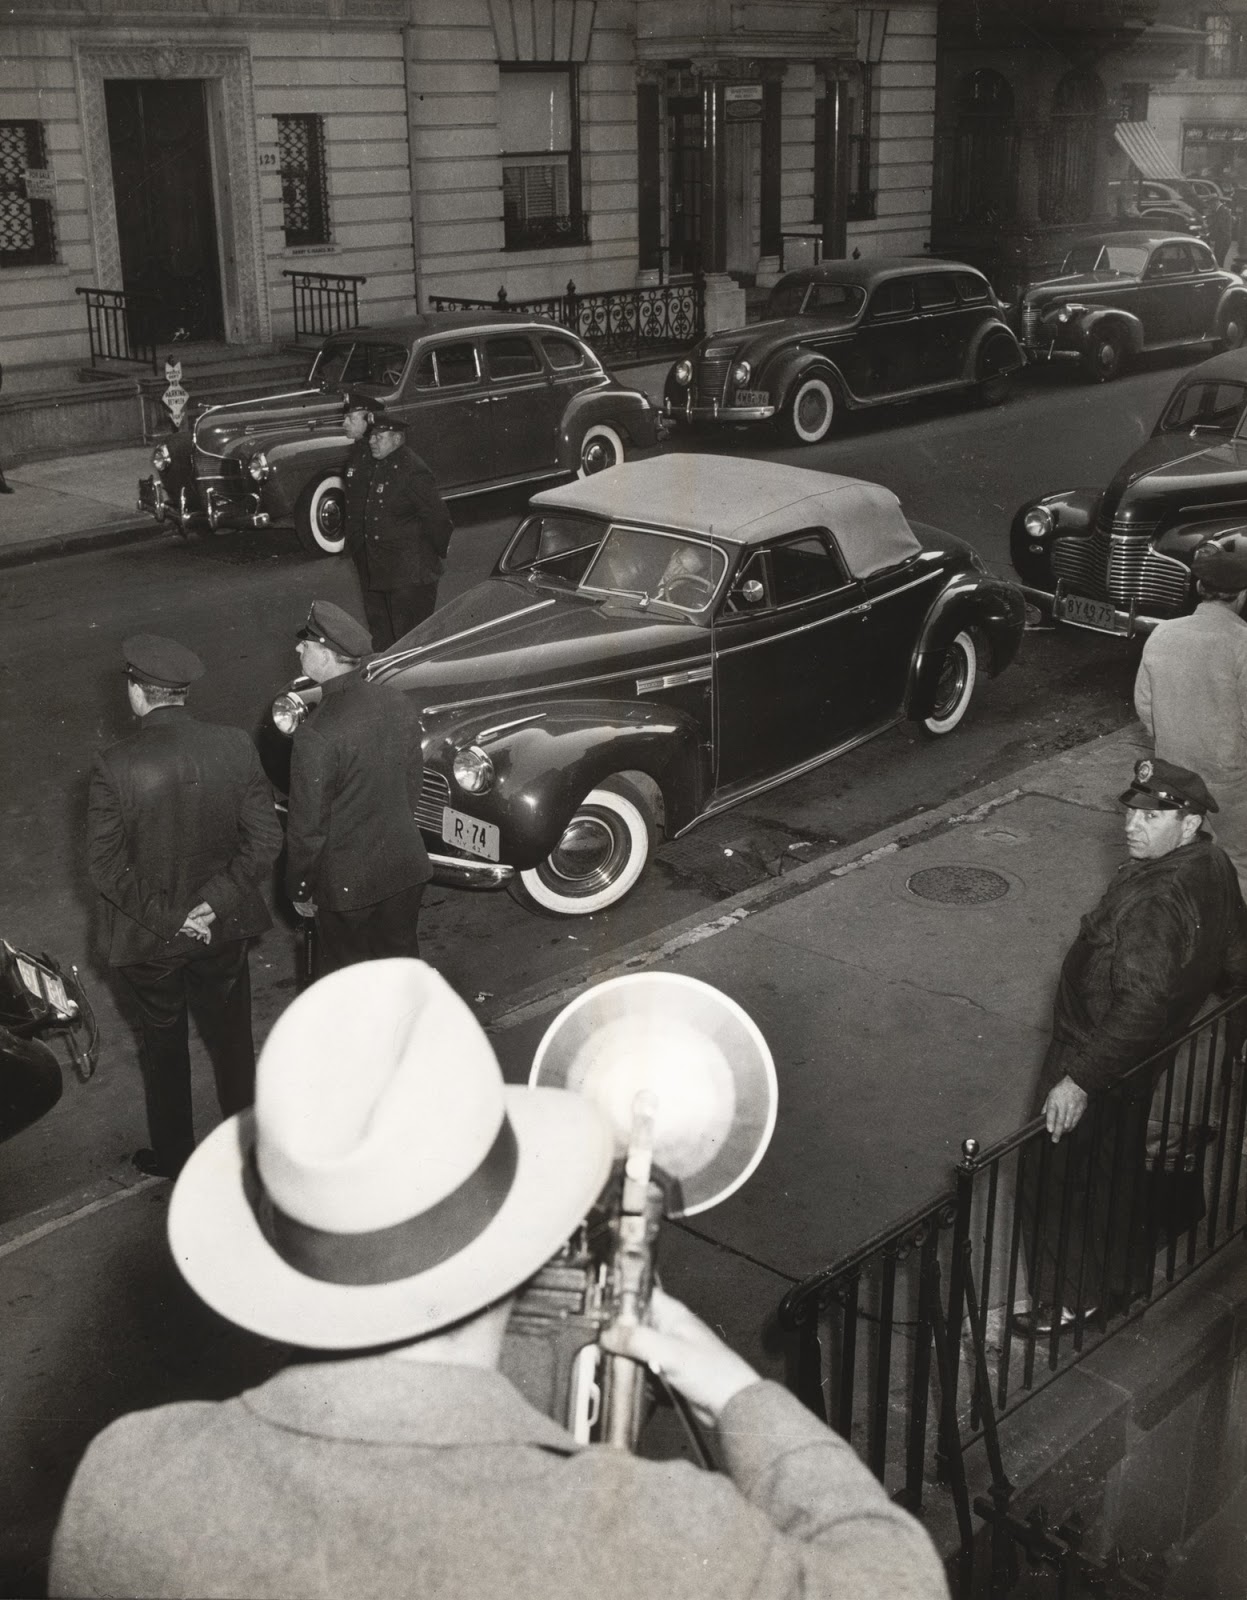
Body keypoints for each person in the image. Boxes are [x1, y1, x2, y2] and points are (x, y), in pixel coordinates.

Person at [48, 958, 949, 1600]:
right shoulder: (657, 1537)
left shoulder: (128, 1484)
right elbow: (895, 1579)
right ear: (527, 1235)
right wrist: (740, 1396)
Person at [1018, 757, 1247, 1334]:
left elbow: (1140, 1003)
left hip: (1093, 1051)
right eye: (1133, 809)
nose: (1132, 823)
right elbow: (1237, 955)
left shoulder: (1155, 900)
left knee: (1055, 1176)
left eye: (1153, 814)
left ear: (1189, 823)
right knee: (1111, 1169)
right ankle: (1114, 1285)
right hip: (1141, 1057)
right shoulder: (1213, 863)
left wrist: (1078, 1081)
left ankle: (1068, 1302)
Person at [86, 635, 281, 1179]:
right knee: (233, 1042)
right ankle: (252, 1150)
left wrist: (175, 917)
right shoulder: (234, 745)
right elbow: (264, 842)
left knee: (162, 1046)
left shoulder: (113, 765)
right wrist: (210, 905)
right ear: (181, 693)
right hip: (223, 928)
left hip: (151, 939)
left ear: (137, 694)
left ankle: (176, 1158)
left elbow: (106, 869)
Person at [286, 600, 431, 975]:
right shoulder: (396, 701)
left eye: (307, 644)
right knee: (401, 974)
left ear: (328, 655)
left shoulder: (316, 732)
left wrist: (301, 889)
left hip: (348, 888)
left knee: (347, 987)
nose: (298, 649)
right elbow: (411, 785)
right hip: (404, 867)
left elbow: (308, 828)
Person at [1134, 533, 1247, 892]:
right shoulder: (1241, 643)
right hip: (1227, 781)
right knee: (1236, 861)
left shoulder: (1163, 634)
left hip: (1172, 774)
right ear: (1243, 596)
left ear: (1199, 586)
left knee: (1175, 861)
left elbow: (1145, 706)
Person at [355, 414, 454, 649]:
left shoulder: (412, 470)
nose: (372, 441)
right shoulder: (385, 464)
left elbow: (439, 519)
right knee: (393, 642)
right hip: (390, 573)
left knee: (411, 644)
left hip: (412, 575)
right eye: (371, 435)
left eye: (379, 436)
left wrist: (430, 558)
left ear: (397, 438)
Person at [339, 388, 377, 563]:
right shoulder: (357, 450)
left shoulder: (376, 453)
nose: (344, 424)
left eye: (351, 419)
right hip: (360, 541)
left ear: (368, 421)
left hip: (376, 542)